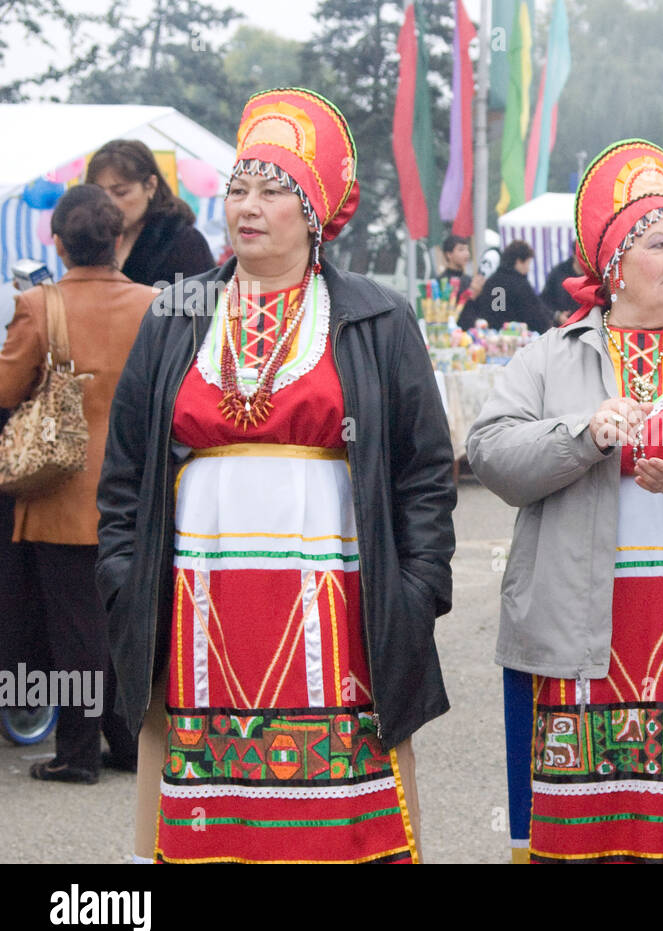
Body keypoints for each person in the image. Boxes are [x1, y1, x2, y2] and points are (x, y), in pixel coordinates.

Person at [96, 88, 456, 863]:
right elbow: (125, 472)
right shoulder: (175, 315)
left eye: (272, 190)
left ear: (314, 212)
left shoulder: (376, 318)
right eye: (238, 188)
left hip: (342, 615)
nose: (247, 207)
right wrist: (125, 581)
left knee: (340, 825)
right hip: (199, 613)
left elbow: (424, 473)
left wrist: (417, 590)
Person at [467, 139, 663, 863]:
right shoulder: (552, 354)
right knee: (581, 833)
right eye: (659, 244)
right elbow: (490, 453)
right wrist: (583, 435)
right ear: (614, 268)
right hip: (577, 623)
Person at [0, 185, 159, 783]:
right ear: (118, 239)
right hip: (136, 492)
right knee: (120, 622)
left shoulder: (39, 306)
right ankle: (126, 741)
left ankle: (75, 754)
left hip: (61, 491)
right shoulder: (153, 304)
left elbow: (6, 389)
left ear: (58, 244)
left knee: (71, 630)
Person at [88, 140, 215, 288]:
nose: (108, 203)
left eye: (121, 192)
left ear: (151, 185)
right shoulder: (91, 240)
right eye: (98, 193)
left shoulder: (185, 243)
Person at [461, 239, 553, 333]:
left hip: (490, 335)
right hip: (515, 336)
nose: (528, 269)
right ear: (518, 262)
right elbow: (535, 315)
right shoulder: (520, 285)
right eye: (528, 263)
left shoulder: (491, 282)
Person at [438, 233, 484, 305]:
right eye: (461, 250)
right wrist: (471, 292)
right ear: (449, 254)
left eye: (467, 249)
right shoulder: (441, 281)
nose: (467, 254)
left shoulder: (470, 280)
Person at [540, 243, 580, 323]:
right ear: (574, 255)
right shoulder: (559, 272)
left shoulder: (595, 274)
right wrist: (557, 315)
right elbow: (545, 300)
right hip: (562, 325)